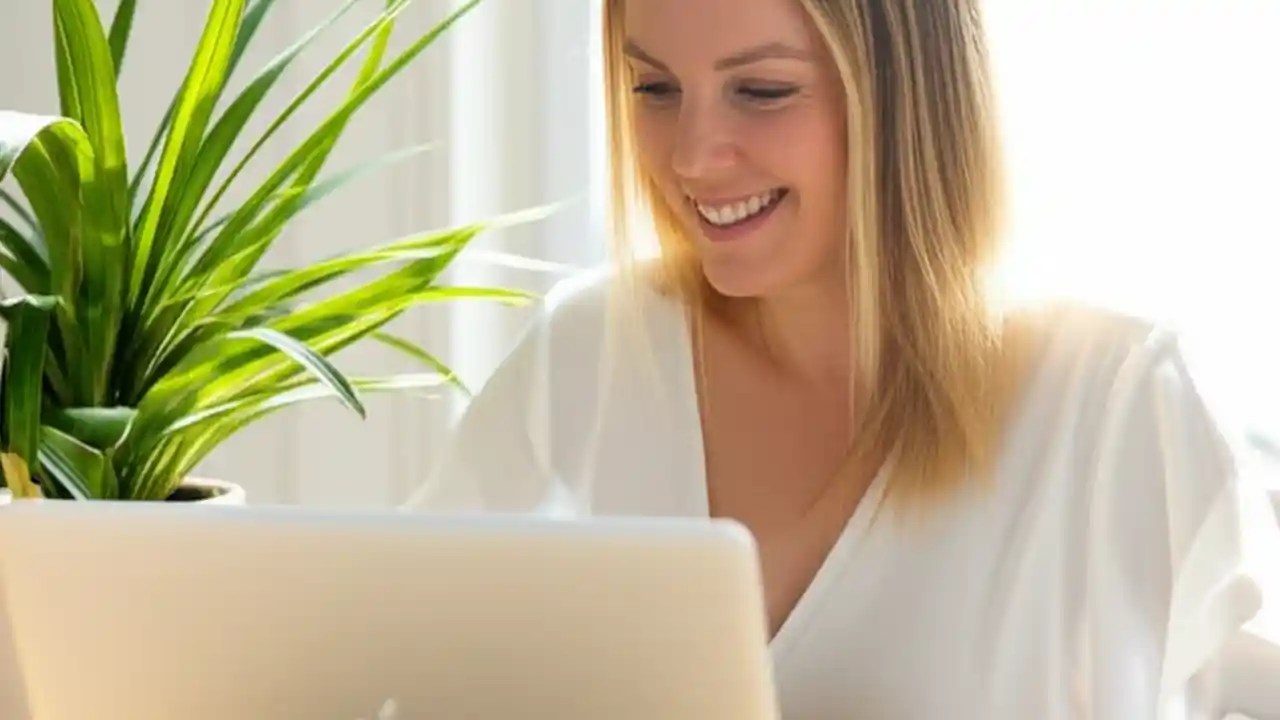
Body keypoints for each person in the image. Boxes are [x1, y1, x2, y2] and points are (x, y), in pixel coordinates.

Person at [407, 0, 1280, 717]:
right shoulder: (585, 358)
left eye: (760, 90)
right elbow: (391, 664)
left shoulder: (1114, 402)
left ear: (911, 93)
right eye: (654, 87)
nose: (692, 157)